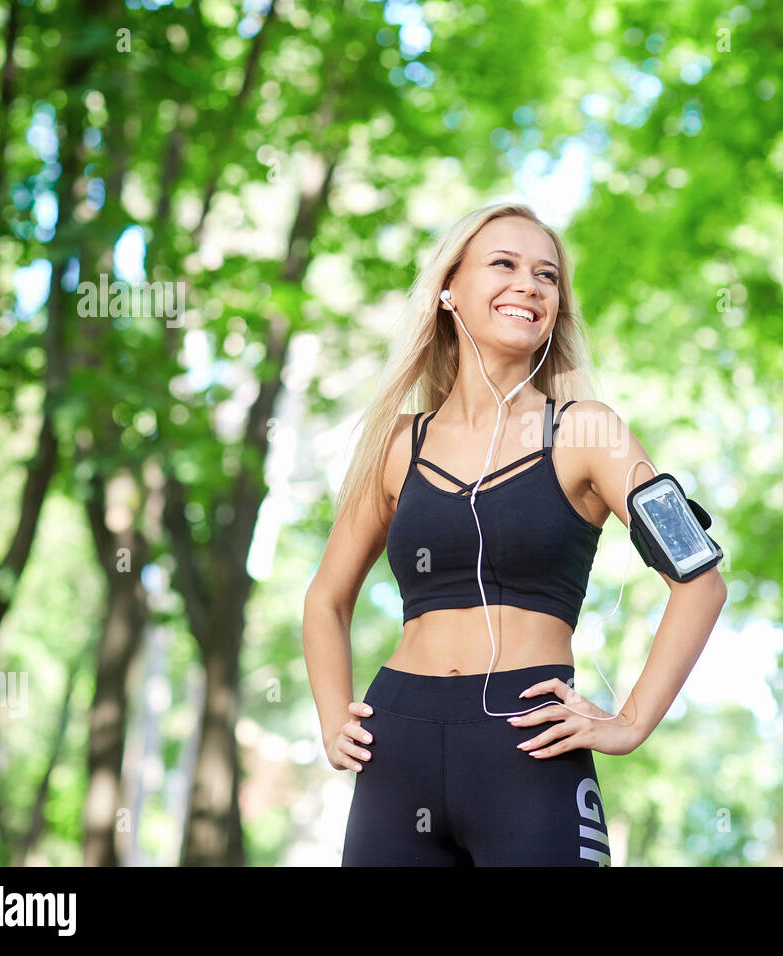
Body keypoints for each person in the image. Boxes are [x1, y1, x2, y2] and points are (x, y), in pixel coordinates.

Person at [302, 202, 728, 866]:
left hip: (528, 744)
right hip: (397, 744)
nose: (529, 285)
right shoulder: (396, 445)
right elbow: (326, 599)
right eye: (503, 264)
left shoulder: (590, 430)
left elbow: (699, 582)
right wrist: (333, 719)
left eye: (547, 275)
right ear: (449, 290)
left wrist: (630, 721)